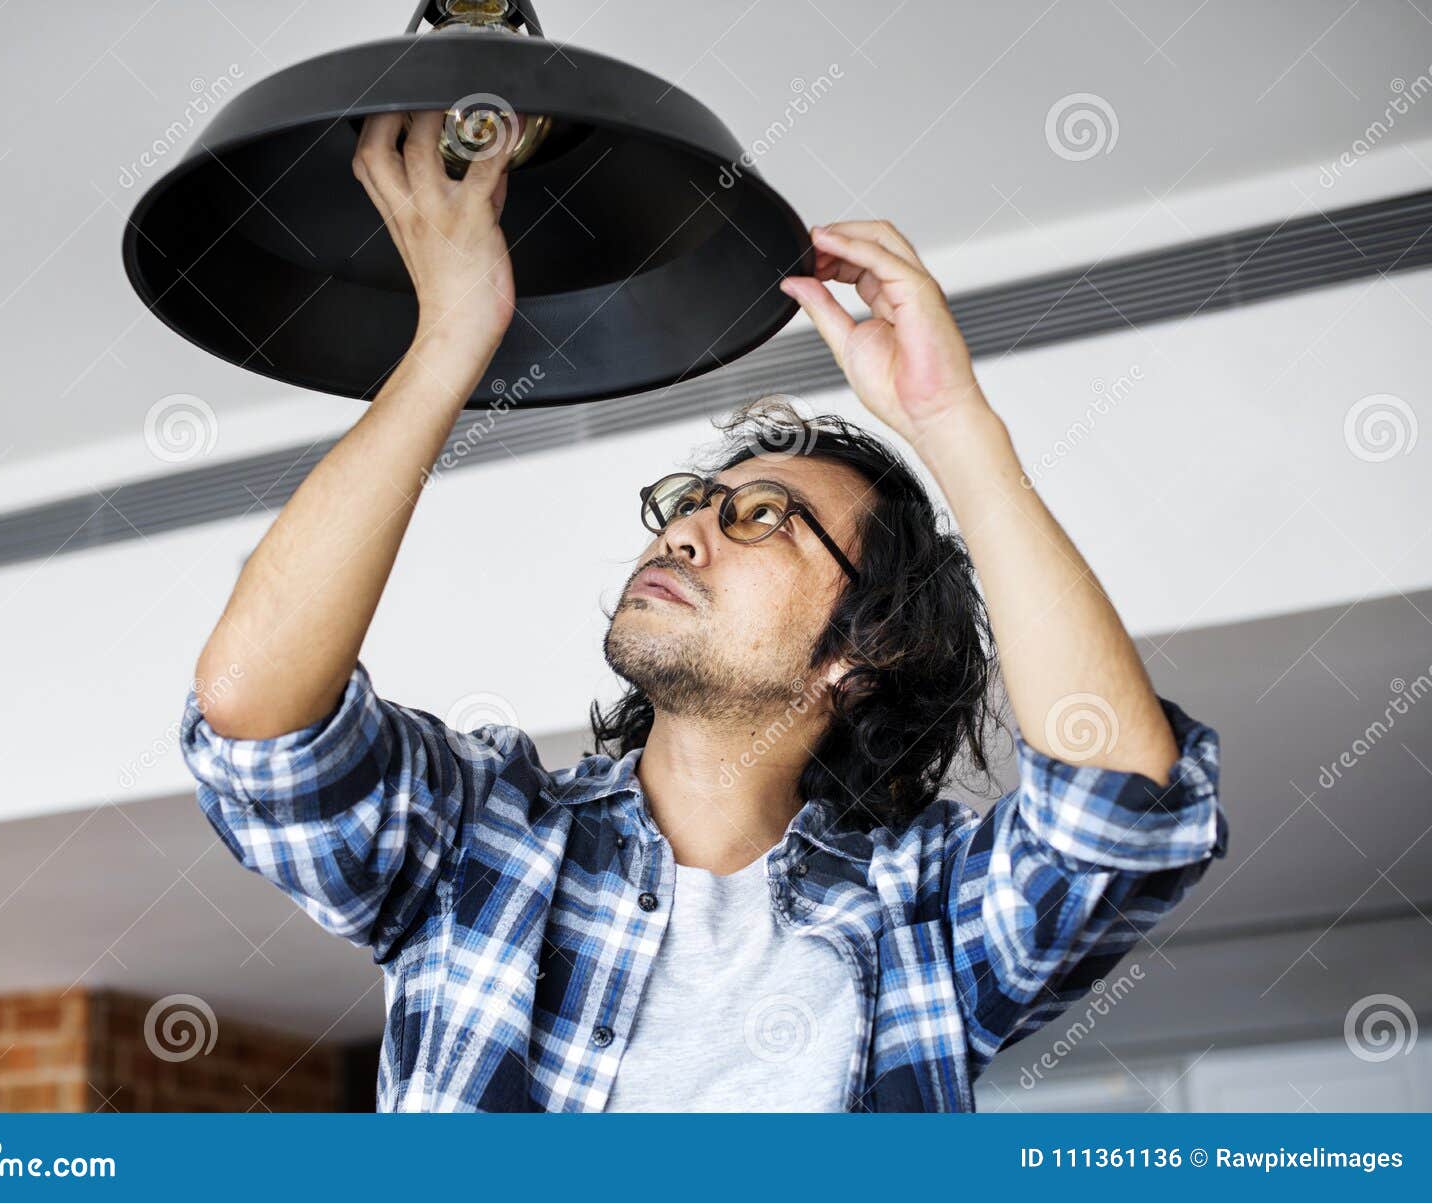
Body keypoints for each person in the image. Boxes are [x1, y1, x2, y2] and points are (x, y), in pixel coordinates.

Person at [180, 110, 1227, 1112]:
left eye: (762, 517)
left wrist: (953, 427)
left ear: (864, 649)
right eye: (690, 506)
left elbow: (1119, 804)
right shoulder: (483, 842)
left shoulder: (922, 916)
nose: (684, 532)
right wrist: (451, 340)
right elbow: (257, 720)